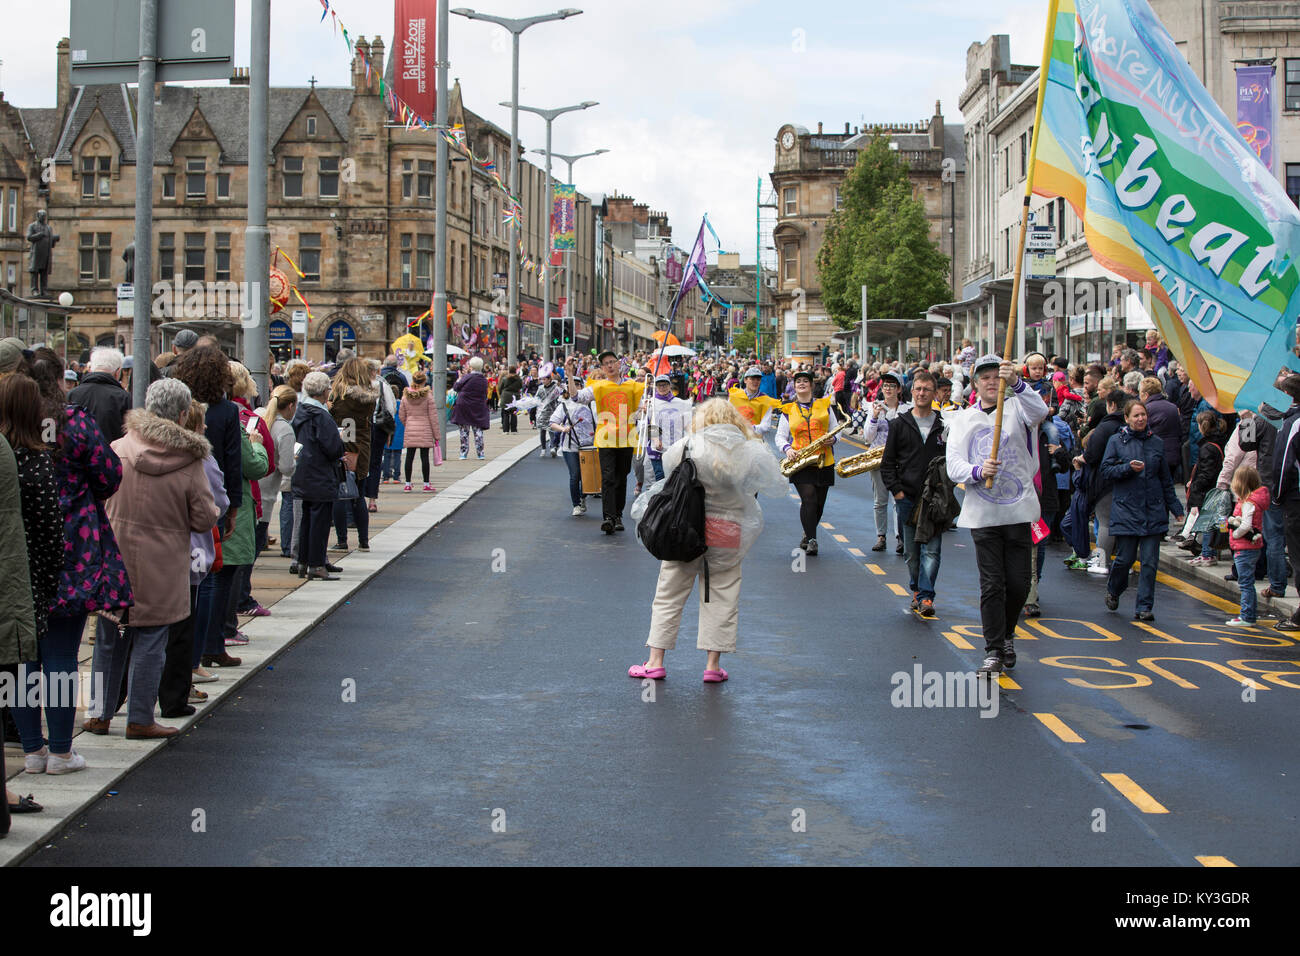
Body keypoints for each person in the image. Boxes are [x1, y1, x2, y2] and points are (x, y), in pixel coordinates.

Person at [85, 379, 219, 739]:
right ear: (181, 413)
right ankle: (140, 718)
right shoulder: (190, 462)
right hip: (163, 564)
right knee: (151, 639)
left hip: (114, 560)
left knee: (109, 637)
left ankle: (99, 713)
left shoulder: (116, 447)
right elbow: (204, 518)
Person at [628, 398, 786, 683]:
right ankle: (712, 667)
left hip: (686, 527)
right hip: (728, 531)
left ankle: (655, 661)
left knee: (669, 595)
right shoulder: (751, 450)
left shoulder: (689, 445)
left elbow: (668, 466)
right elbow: (773, 483)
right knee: (721, 596)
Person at [945, 355, 1048, 673]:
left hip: (1019, 511)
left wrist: (1018, 382)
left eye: (996, 377)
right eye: (984, 377)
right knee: (992, 584)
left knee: (1018, 584)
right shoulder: (963, 419)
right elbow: (953, 466)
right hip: (983, 514)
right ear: (975, 384)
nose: (991, 382)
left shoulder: (1019, 408)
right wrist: (977, 470)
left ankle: (1007, 635)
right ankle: (992, 648)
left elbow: (1040, 411)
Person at [0, 375, 69, 772]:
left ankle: (30, 748)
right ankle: (58, 750)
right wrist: (55, 568)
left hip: (13, 569)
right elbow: (48, 525)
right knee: (50, 656)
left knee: (18, 661)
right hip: (32, 572)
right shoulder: (36, 457)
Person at [1101, 399, 1184, 622]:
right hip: (1127, 509)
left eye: (1143, 415)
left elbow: (1165, 478)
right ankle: (1114, 589)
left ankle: (1144, 606)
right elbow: (1106, 471)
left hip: (1153, 510)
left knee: (1149, 562)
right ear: (1126, 418)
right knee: (1124, 559)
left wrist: (1176, 508)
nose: (1140, 419)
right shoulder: (1116, 441)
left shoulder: (1156, 442)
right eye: (1136, 416)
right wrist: (1127, 468)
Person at [879, 371, 947, 617]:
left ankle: (926, 596)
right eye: (918, 389)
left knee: (932, 549)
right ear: (912, 391)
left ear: (934, 393)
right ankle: (917, 589)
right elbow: (887, 463)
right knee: (911, 552)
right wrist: (897, 492)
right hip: (906, 497)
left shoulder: (944, 425)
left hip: (935, 499)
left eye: (927, 390)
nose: (921, 394)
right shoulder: (899, 424)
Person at [575, 351, 646, 535]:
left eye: (612, 362)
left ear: (618, 364)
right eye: (606, 363)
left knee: (621, 477)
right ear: (602, 367)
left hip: (626, 438)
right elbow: (577, 397)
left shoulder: (632, 386)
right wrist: (569, 375)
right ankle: (608, 517)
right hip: (605, 438)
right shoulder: (598, 386)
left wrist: (643, 409)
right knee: (608, 478)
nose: (610, 365)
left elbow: (639, 409)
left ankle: (618, 515)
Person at [776, 369, 841, 555]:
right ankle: (812, 539)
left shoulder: (825, 405)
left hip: (824, 459)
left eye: (806, 381)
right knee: (809, 499)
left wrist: (834, 439)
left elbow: (836, 428)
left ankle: (807, 532)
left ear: (812, 385)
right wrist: (788, 449)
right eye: (798, 382)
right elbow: (780, 436)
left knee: (819, 503)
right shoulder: (788, 410)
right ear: (794, 386)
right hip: (801, 461)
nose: (802, 384)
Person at [292, 371, 346, 581]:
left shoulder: (300, 412)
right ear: (324, 392)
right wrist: (339, 441)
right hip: (321, 473)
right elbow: (332, 448)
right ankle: (316, 563)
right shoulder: (322, 416)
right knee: (320, 520)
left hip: (303, 471)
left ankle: (304, 561)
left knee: (307, 519)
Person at [327, 357, 378, 551]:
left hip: (343, 446)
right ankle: (364, 540)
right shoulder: (370, 397)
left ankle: (342, 540)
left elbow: (331, 417)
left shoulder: (338, 396)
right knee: (359, 496)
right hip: (362, 447)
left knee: (340, 495)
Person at [857, 370, 909, 554]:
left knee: (898, 499)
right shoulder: (874, 407)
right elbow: (868, 438)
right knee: (880, 501)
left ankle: (900, 537)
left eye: (892, 386)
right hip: (878, 460)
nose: (888, 389)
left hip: (899, 461)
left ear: (899, 389)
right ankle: (881, 536)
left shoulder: (906, 410)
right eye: (885, 385)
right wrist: (874, 417)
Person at [1077, 387, 1127, 574]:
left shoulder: (1106, 426)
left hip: (1105, 480)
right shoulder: (1130, 424)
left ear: (1111, 405)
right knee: (1123, 523)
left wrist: (1081, 459)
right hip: (1129, 477)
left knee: (1105, 521)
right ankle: (1124, 563)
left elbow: (1092, 453)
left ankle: (1102, 563)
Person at [1225, 465, 1269, 627]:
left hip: (1244, 547)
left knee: (1245, 583)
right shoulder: (1252, 501)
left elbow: (1245, 525)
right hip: (1250, 547)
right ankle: (1248, 614)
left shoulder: (1248, 503)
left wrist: (1235, 534)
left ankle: (1247, 616)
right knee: (1247, 582)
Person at [258, 385, 298, 565]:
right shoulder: (284, 429)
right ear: (290, 406)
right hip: (265, 494)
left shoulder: (256, 416)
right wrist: (295, 459)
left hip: (248, 487)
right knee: (254, 546)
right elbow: (286, 467)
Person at [550, 376, 596, 516]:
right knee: (575, 475)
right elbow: (552, 423)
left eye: (577, 384)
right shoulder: (563, 405)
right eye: (572, 385)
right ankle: (576, 504)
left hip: (589, 446)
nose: (574, 387)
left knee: (587, 476)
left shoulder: (590, 404)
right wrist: (563, 429)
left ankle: (583, 497)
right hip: (570, 446)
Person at [66, 346, 131, 443]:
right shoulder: (124, 398)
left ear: (91, 370)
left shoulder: (72, 394)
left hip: (78, 455)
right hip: (112, 455)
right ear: (118, 372)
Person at [643, 373, 693, 482]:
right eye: (659, 385)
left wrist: (692, 437)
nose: (662, 388)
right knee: (660, 479)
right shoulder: (651, 403)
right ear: (656, 387)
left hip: (676, 447)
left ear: (669, 386)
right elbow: (650, 423)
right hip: (658, 448)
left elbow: (687, 423)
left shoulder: (680, 403)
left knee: (676, 478)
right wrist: (656, 440)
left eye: (665, 385)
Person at [399, 371, 441, 492]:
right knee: (424, 457)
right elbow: (433, 416)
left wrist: (408, 424)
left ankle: (407, 484)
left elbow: (401, 414)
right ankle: (426, 484)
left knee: (409, 457)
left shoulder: (405, 395)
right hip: (425, 428)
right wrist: (436, 435)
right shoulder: (428, 396)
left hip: (410, 427)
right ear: (424, 381)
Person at [451, 356, 491, 460]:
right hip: (478, 406)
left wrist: (459, 378)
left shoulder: (466, 377)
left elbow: (456, 387)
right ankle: (480, 453)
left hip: (464, 406)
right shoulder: (484, 380)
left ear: (471, 366)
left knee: (464, 431)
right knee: (478, 430)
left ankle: (463, 453)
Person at [728, 366, 782, 437]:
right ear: (745, 380)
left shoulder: (766, 401)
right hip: (735, 437)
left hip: (754, 440)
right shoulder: (734, 396)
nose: (755, 382)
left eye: (758, 379)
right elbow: (727, 417)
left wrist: (747, 428)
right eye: (752, 379)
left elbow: (766, 426)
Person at [534, 365, 563, 458]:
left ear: (549, 379)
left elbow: (559, 399)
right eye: (542, 379)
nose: (543, 381)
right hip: (542, 412)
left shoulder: (555, 388)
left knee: (552, 431)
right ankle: (543, 448)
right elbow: (537, 398)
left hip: (552, 412)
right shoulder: (540, 388)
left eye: (545, 379)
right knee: (542, 431)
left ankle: (553, 447)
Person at [498, 365, 523, 433]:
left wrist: (501, 394)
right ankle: (514, 430)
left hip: (505, 396)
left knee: (506, 413)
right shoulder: (519, 379)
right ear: (515, 371)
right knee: (514, 413)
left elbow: (500, 388)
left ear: (509, 371)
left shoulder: (505, 378)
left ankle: (506, 430)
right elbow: (521, 387)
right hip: (515, 396)